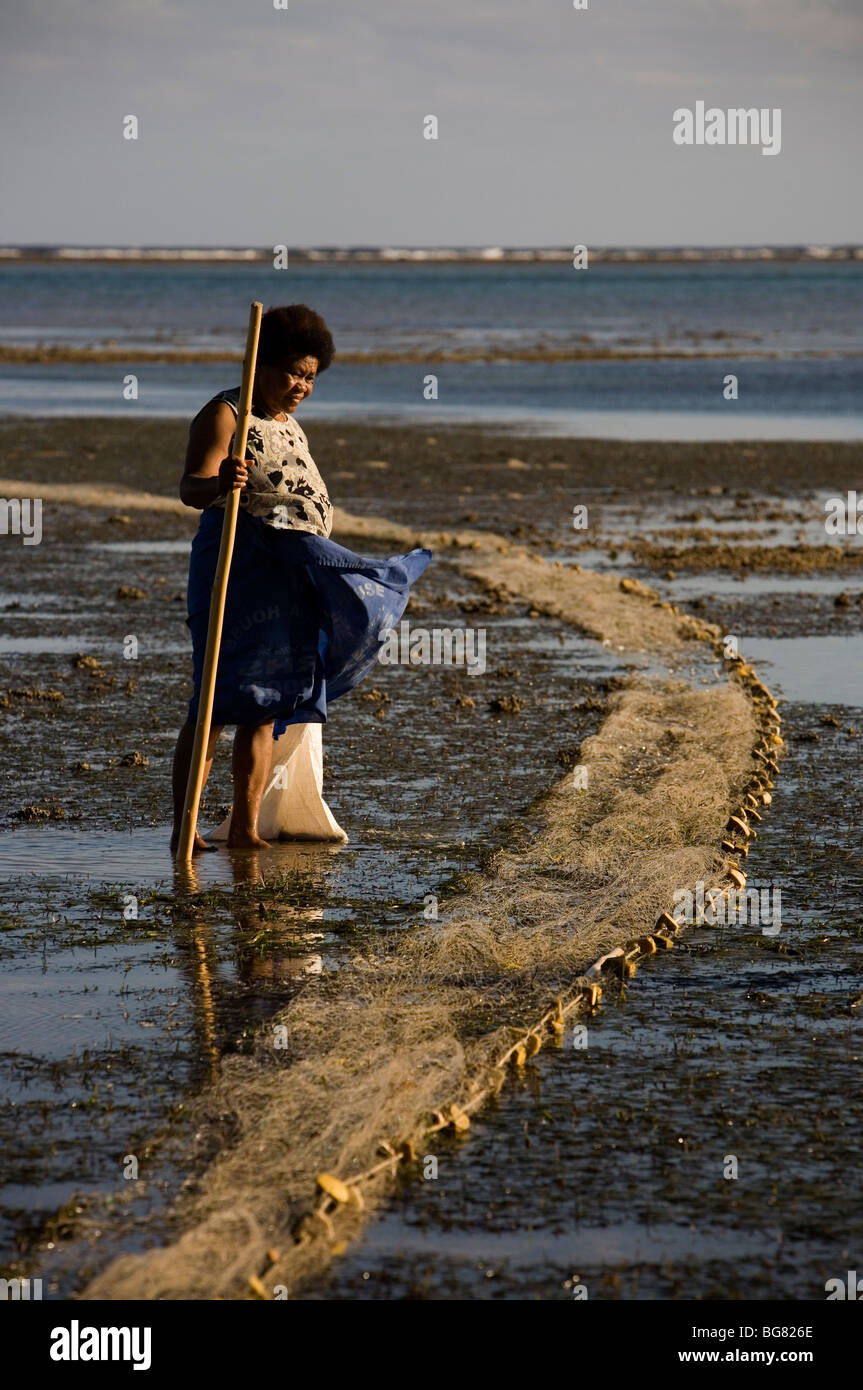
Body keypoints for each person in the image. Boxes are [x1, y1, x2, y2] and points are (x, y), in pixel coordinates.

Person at [170, 303, 431, 852]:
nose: (301, 386)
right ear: (258, 361)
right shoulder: (226, 414)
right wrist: (220, 479)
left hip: (288, 577)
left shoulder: (291, 425)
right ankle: (185, 829)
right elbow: (190, 489)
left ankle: (244, 827)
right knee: (214, 701)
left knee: (265, 706)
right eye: (292, 372)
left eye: (310, 377)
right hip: (234, 571)